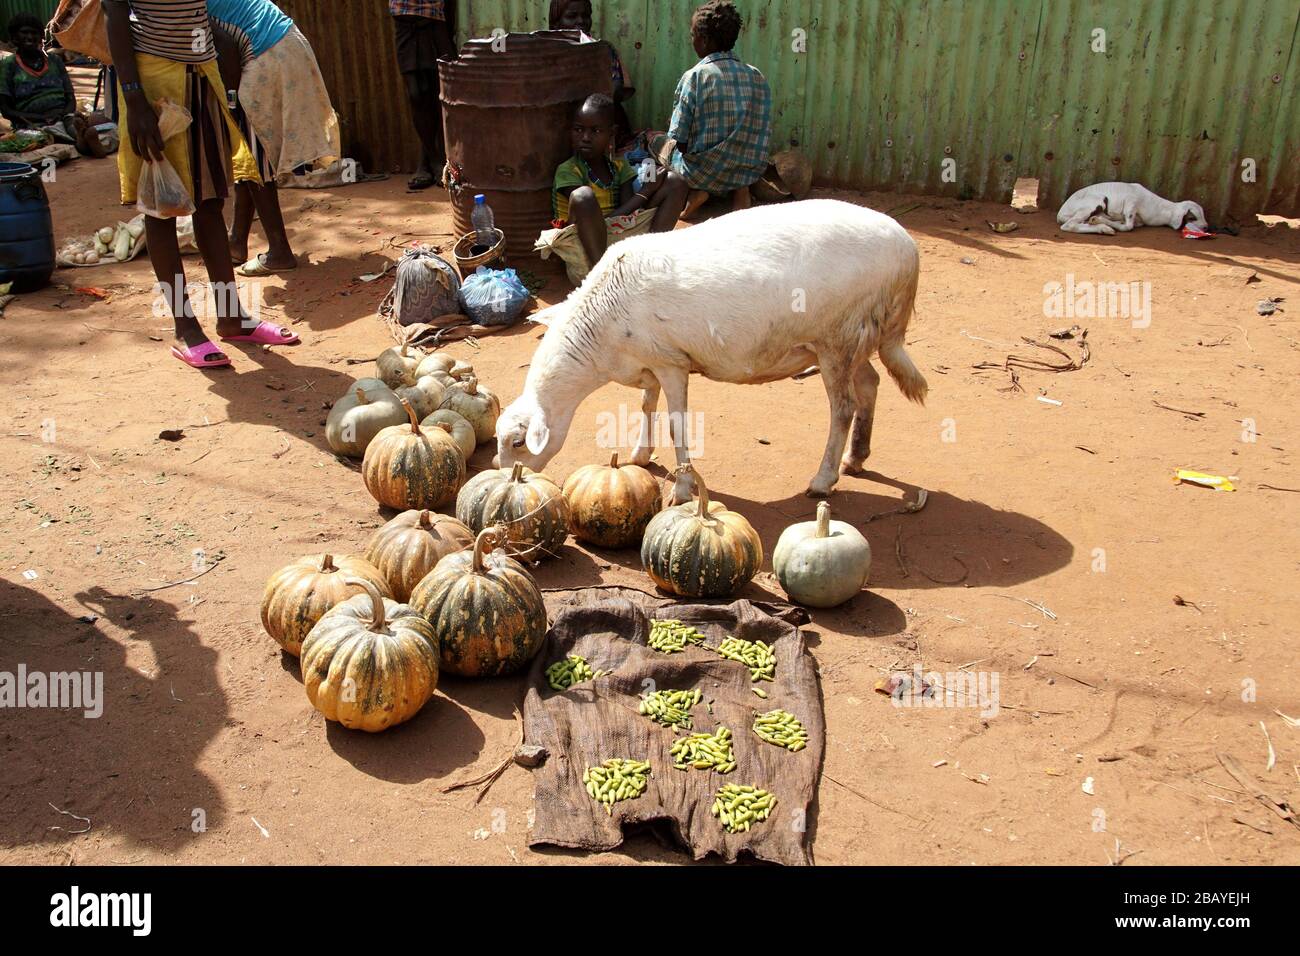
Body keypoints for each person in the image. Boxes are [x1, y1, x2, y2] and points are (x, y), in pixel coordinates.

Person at [102, 0, 298, 369]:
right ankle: (185, 328)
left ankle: (231, 316)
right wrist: (133, 96)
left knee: (210, 202)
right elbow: (113, 12)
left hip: (202, 78)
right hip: (153, 82)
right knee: (162, 208)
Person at [207, 0, 340, 276]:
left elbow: (225, 45)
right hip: (283, 42)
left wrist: (231, 101)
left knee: (255, 152)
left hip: (267, 51)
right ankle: (236, 241)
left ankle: (279, 251)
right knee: (249, 149)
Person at [538, 93, 687, 282]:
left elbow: (626, 217)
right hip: (586, 248)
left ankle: (650, 260)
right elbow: (591, 219)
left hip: (617, 236)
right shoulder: (568, 170)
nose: (585, 137)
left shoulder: (619, 166)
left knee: (676, 182)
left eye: (596, 131)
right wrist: (646, 191)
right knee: (583, 196)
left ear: (611, 134)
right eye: (578, 129)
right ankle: (605, 279)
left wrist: (648, 190)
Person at [664, 1, 772, 218]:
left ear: (704, 40)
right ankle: (741, 192)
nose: (692, 40)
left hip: (702, 173)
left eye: (693, 35)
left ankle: (696, 192)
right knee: (737, 151)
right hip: (747, 170)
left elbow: (681, 141)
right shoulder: (756, 75)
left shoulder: (695, 77)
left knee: (657, 143)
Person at [0, 13, 105, 155]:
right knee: (43, 136)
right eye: (24, 33)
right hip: (30, 122)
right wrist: (42, 118)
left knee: (72, 124)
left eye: (34, 33)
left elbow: (70, 97)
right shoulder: (8, 65)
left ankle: (80, 136)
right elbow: (6, 110)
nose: (30, 37)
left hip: (62, 116)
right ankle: (82, 143)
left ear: (41, 38)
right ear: (14, 38)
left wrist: (64, 113)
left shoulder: (55, 60)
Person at [389, 0, 454, 190]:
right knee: (416, 94)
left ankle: (427, 164)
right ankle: (434, 160)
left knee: (438, 93)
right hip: (404, 21)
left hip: (434, 20)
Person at [548, 0, 634, 144]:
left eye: (586, 16)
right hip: (560, 127)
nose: (581, 21)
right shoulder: (545, 53)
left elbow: (617, 90)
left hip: (598, 125)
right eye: (572, 16)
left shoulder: (602, 49)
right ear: (555, 23)